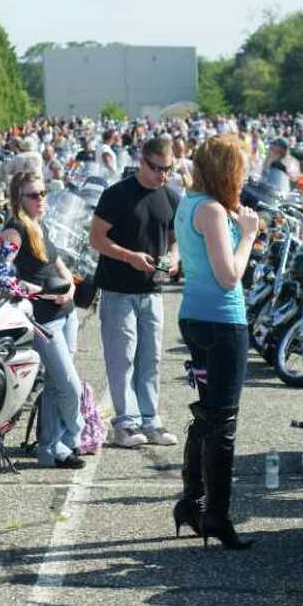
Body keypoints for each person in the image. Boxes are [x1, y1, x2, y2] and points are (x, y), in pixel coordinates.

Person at [174, 134, 260, 549]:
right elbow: (229, 276)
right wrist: (248, 234)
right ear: (228, 171)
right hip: (222, 321)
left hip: (195, 315)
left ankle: (192, 501)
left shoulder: (191, 203)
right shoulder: (209, 209)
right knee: (222, 421)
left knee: (207, 415)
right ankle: (217, 515)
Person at [89, 137, 180, 449]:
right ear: (142, 161)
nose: (162, 175)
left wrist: (173, 261)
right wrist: (130, 257)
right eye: (156, 168)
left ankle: (150, 419)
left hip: (152, 291)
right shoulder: (116, 195)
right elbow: (97, 239)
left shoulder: (169, 196)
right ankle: (125, 423)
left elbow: (173, 239)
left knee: (150, 359)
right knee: (123, 358)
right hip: (118, 290)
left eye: (168, 169)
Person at [1, 172, 86, 469]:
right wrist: (42, 290)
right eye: (33, 195)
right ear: (18, 199)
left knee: (55, 385)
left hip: (66, 313)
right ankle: (75, 434)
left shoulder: (40, 225)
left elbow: (58, 263)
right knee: (69, 386)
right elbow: (4, 274)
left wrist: (70, 287)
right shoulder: (15, 229)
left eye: (43, 193)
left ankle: (50, 449)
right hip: (42, 320)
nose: (41, 199)